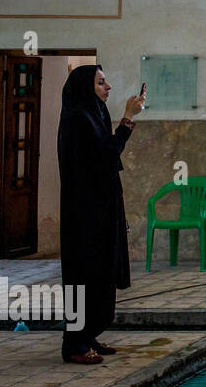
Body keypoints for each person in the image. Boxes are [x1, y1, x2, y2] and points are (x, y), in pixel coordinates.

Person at [58, 65, 145, 364]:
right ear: (85, 87)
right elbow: (106, 153)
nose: (108, 87)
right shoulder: (77, 119)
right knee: (83, 274)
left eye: (106, 81)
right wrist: (128, 118)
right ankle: (74, 344)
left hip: (100, 209)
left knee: (100, 273)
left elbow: (105, 155)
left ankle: (89, 334)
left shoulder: (92, 115)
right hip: (83, 215)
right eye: (100, 82)